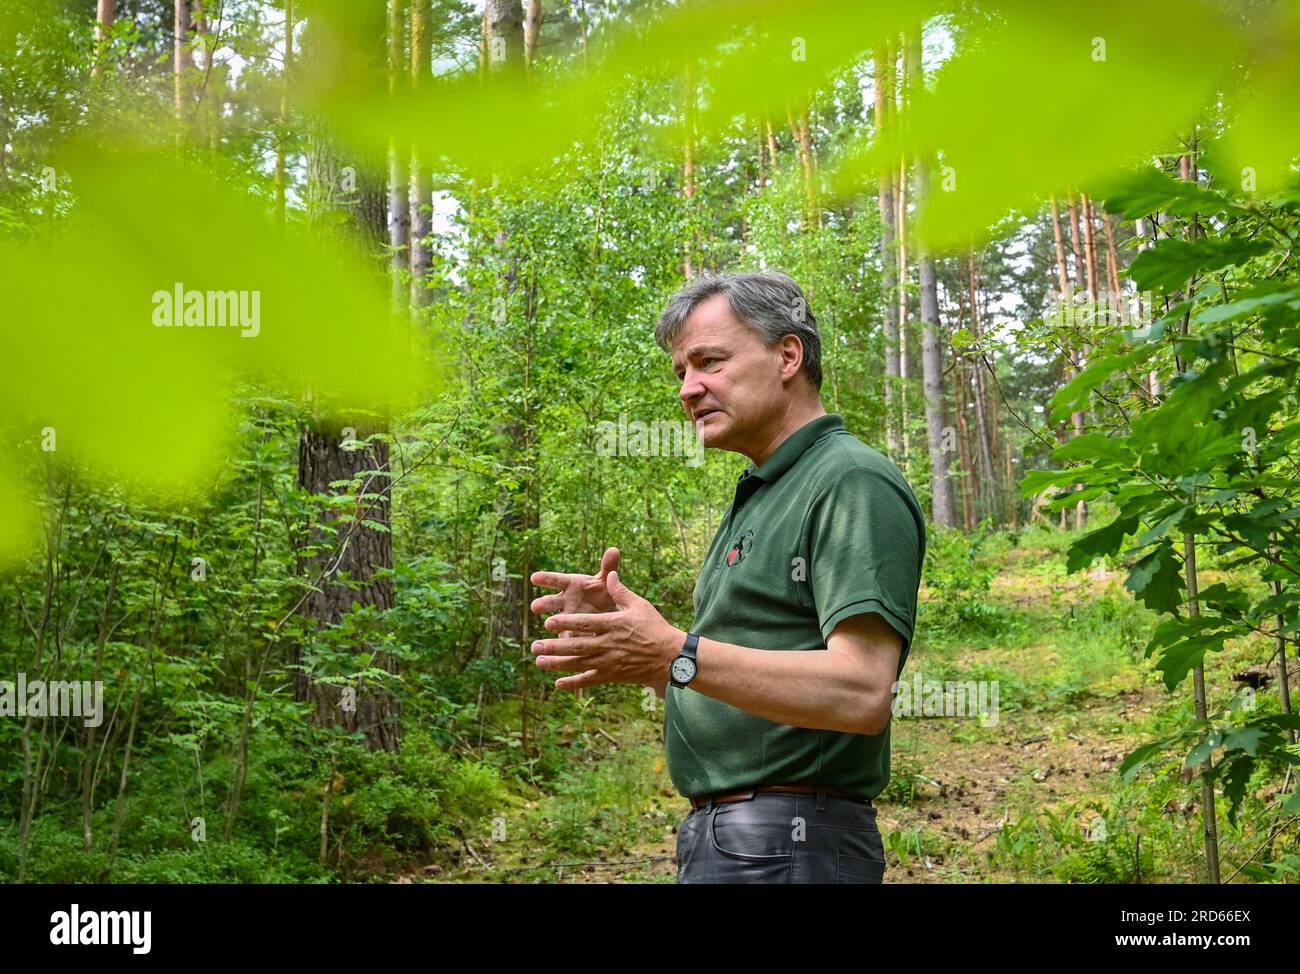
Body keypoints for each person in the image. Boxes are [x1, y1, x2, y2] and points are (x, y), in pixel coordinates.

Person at [530, 271, 926, 883]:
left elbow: (862, 691)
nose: (689, 390)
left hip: (790, 841)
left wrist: (676, 651)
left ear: (788, 355)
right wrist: (649, 656)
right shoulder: (767, 488)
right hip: (735, 840)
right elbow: (732, 685)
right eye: (681, 373)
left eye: (709, 362)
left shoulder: (850, 480)